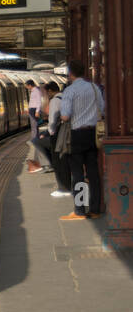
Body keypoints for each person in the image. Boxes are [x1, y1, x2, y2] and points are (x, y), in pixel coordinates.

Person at [58, 61, 104, 220]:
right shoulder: (94, 88)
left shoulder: (69, 91)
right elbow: (102, 109)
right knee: (93, 172)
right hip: (93, 134)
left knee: (77, 173)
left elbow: (65, 116)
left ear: (70, 73)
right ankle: (96, 209)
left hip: (76, 136)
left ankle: (80, 210)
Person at [42, 81, 70, 198]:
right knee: (65, 160)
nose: (46, 96)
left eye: (46, 93)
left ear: (50, 91)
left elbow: (52, 120)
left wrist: (49, 132)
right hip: (67, 131)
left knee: (58, 161)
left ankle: (63, 188)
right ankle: (67, 186)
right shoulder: (65, 97)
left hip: (58, 133)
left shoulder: (54, 101)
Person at [26, 80, 45, 172]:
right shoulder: (34, 91)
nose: (26, 87)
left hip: (34, 109)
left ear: (30, 85)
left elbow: (38, 102)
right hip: (32, 109)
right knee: (34, 125)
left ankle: (34, 138)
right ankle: (34, 137)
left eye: (27, 86)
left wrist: (37, 111)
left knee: (34, 125)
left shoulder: (36, 91)